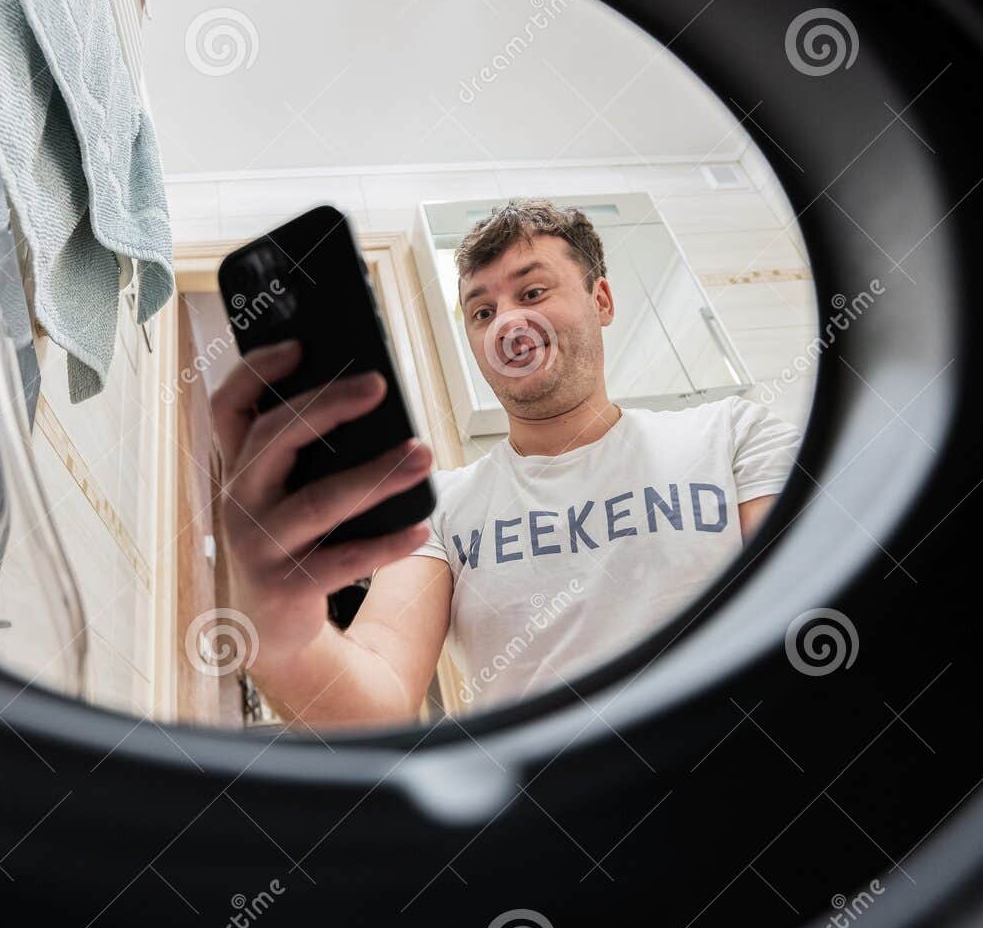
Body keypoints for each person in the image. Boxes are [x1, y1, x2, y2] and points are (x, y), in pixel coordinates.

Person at [210, 199, 800, 729]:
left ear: (601, 300)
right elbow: (375, 700)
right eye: (482, 312)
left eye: (533, 292)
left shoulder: (732, 434)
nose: (508, 322)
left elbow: (795, 606)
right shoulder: (440, 507)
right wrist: (281, 633)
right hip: (543, 829)